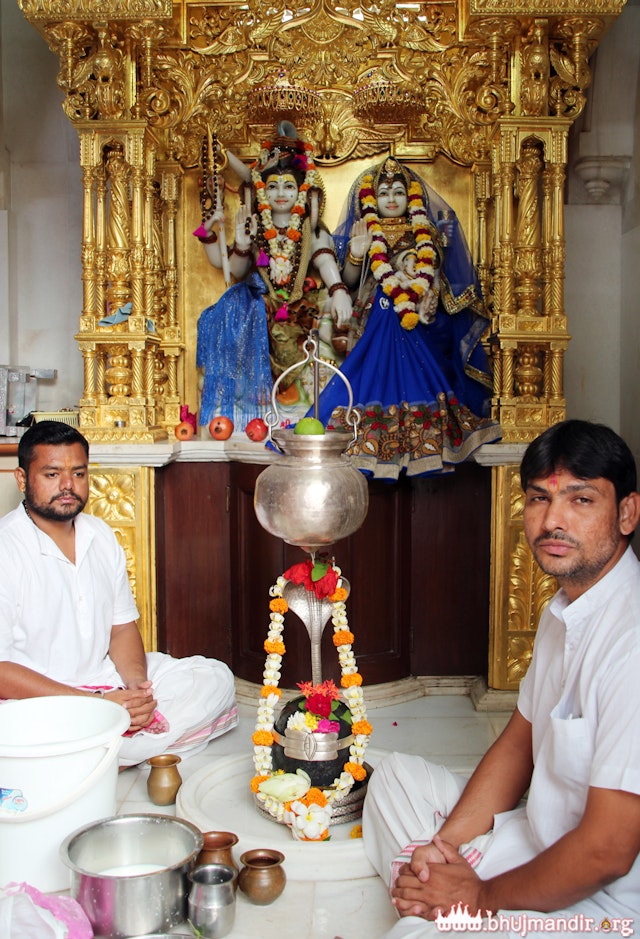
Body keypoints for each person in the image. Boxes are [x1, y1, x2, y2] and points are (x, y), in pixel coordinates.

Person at [363, 419, 640, 937]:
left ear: (627, 512)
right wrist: (442, 851)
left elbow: (607, 852)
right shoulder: (568, 608)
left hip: (601, 905)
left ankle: (432, 905)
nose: (552, 520)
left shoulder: (631, 642)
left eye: (580, 500)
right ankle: (432, 885)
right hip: (531, 846)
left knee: (415, 934)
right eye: (539, 499)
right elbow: (518, 745)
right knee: (394, 780)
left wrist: (479, 896)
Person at [0, 420, 238, 767]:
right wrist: (93, 705)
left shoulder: (99, 534)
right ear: (23, 479)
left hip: (104, 680)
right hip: (40, 700)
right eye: (52, 474)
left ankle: (105, 748)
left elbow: (122, 628)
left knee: (216, 678)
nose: (68, 485)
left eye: (78, 473)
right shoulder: (6, 547)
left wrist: (138, 691)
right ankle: (117, 746)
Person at [313, 156, 501, 480]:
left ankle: (422, 443)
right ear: (371, 199)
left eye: (398, 192)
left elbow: (435, 274)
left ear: (411, 198)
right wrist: (357, 252)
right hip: (377, 314)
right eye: (383, 192)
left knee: (422, 372)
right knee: (370, 372)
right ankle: (372, 441)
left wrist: (426, 299)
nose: (390, 199)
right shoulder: (365, 230)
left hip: (417, 317)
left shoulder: (424, 232)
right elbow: (349, 279)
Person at [196, 122, 353, 428]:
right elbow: (232, 269)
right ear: (262, 191)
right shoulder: (256, 227)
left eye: (289, 186)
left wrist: (338, 290)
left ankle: (319, 405)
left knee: (339, 326)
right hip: (261, 304)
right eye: (273, 186)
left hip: (301, 304)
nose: (281, 193)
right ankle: (247, 405)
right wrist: (239, 243)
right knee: (230, 316)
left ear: (303, 192)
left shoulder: (311, 229)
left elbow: (324, 262)